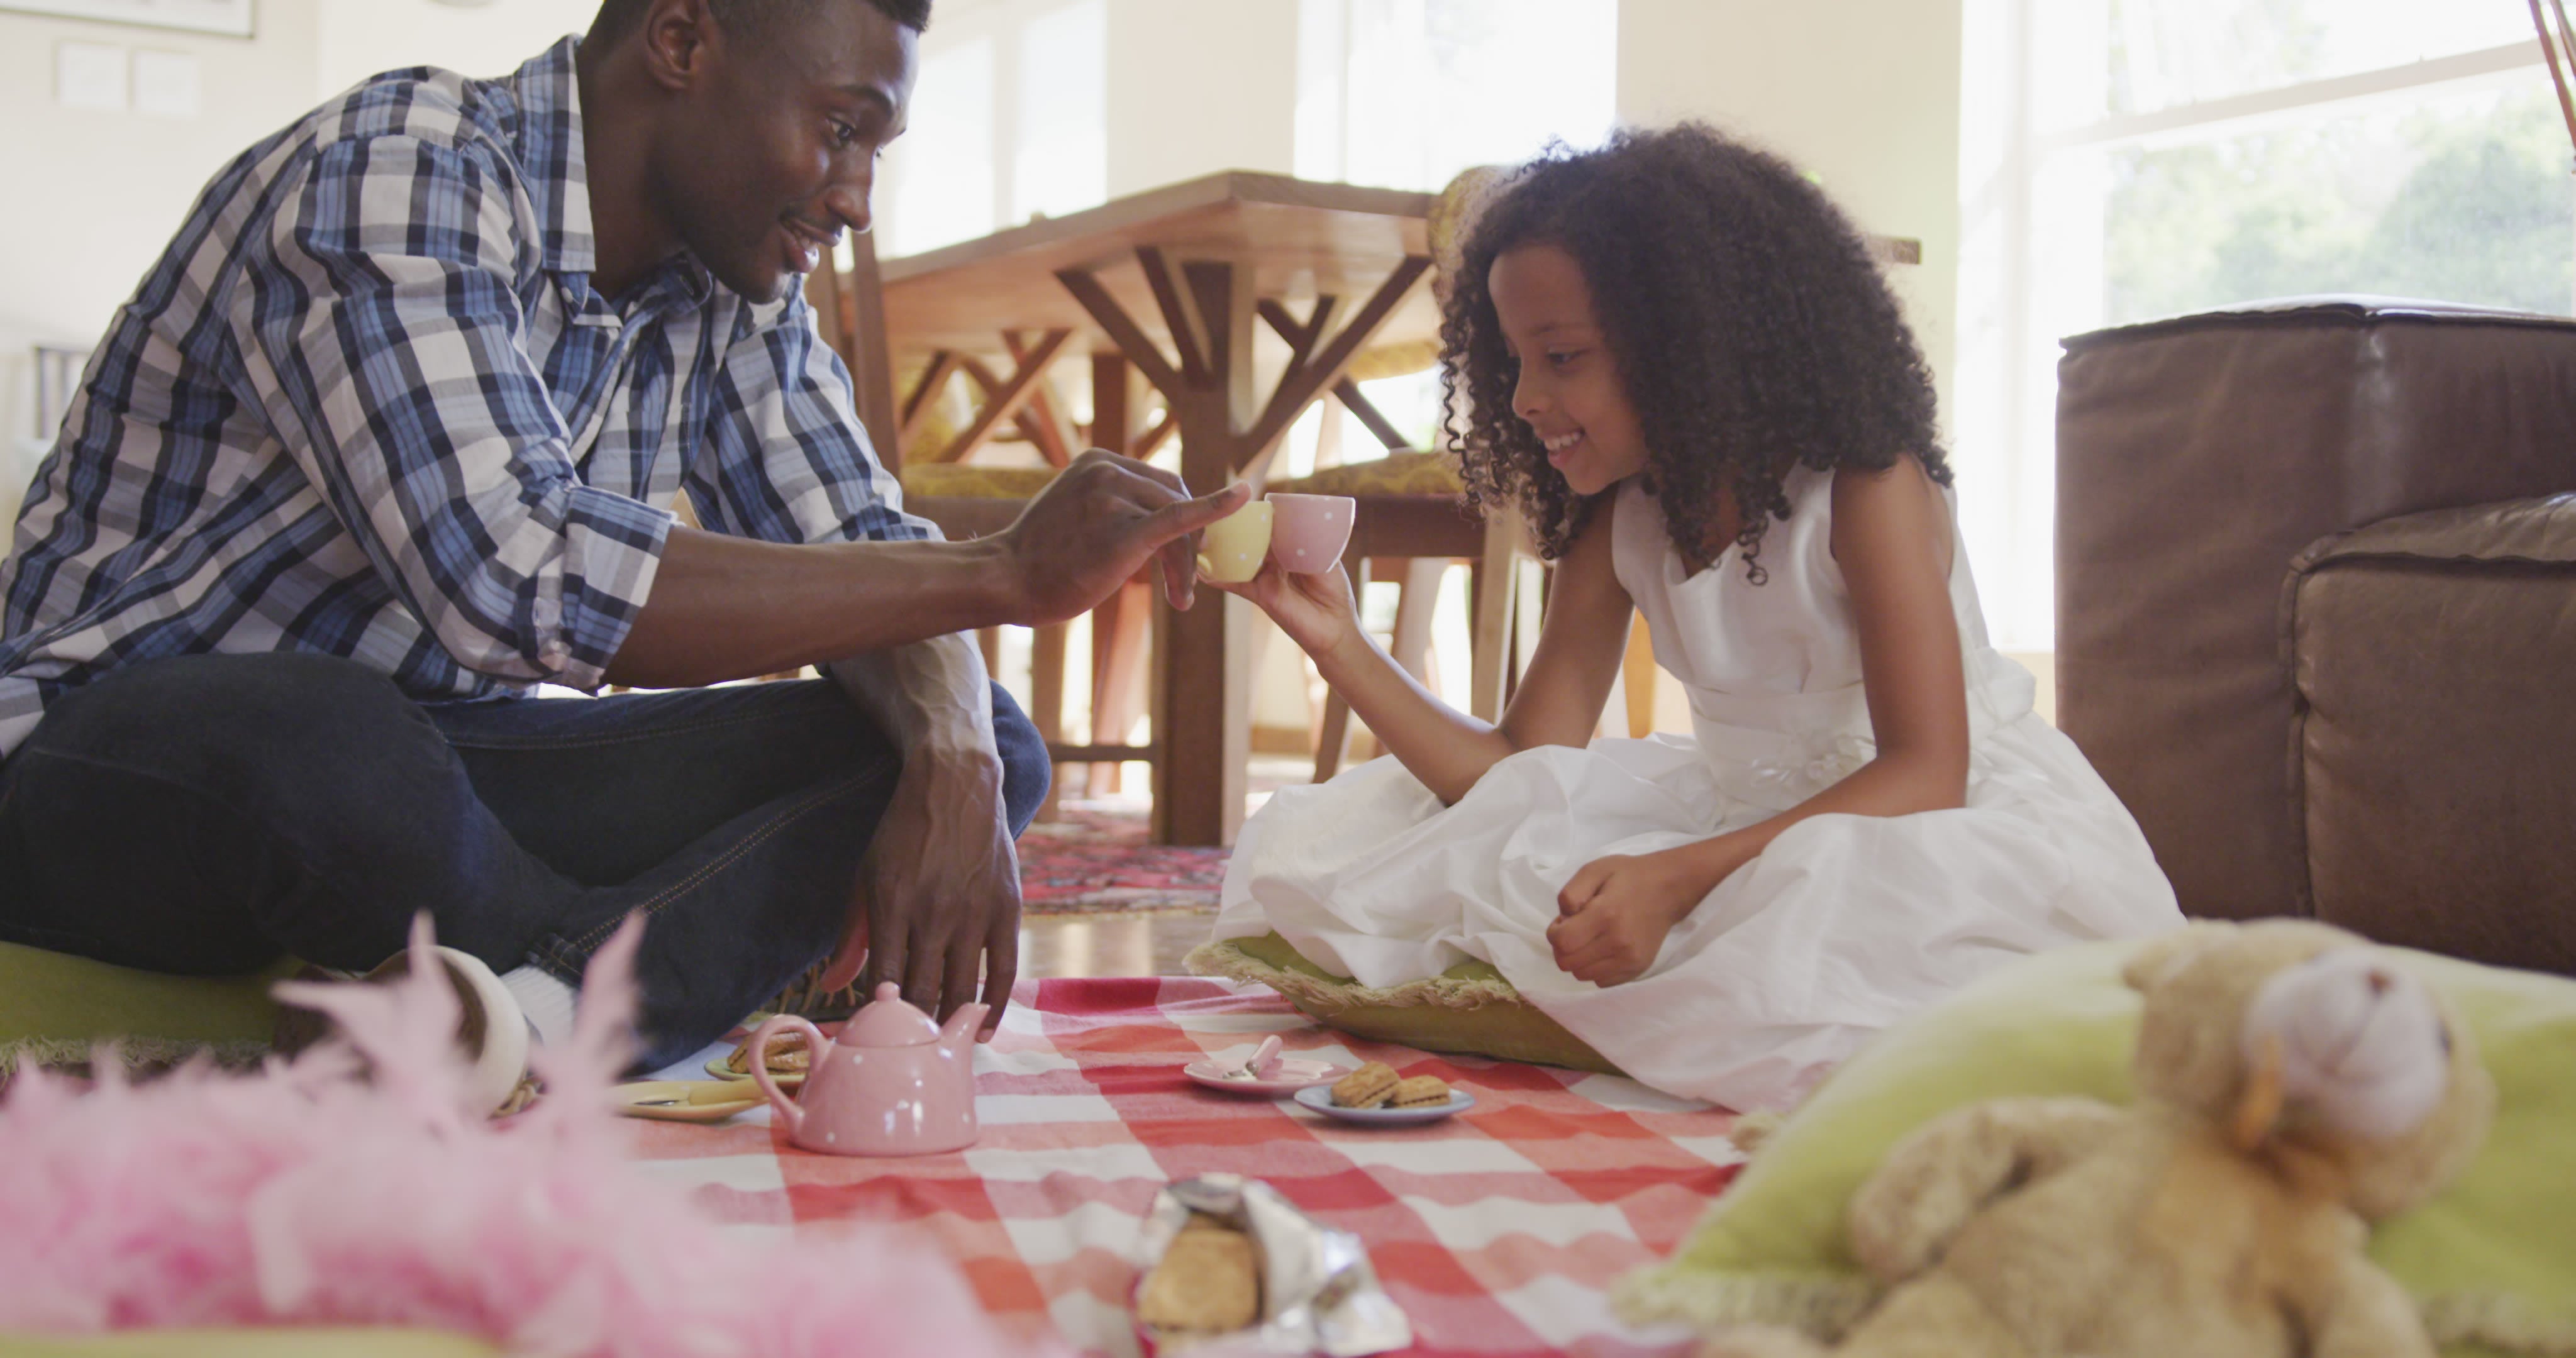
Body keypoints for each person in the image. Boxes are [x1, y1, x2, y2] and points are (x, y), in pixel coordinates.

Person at [0, 0, 1245, 1076]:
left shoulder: (735, 290)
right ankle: (662, 986)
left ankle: (535, 1024)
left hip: (437, 761)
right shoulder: (397, 167)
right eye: (840, 126)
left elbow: (863, 542)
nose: (857, 195)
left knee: (959, 739)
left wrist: (956, 754)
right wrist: (997, 572)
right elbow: (514, 581)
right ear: (682, 39)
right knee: (327, 742)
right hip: (107, 758)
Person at [1207, 126, 2182, 1110]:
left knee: (1822, 940)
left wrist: (1679, 877)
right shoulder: (1621, 520)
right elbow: (1514, 767)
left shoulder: (1867, 490)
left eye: (1562, 357)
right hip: (1738, 816)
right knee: (1408, 839)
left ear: (1694, 346)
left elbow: (1927, 773)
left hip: (1929, 819)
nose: (1527, 398)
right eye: (1512, 363)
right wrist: (1340, 643)